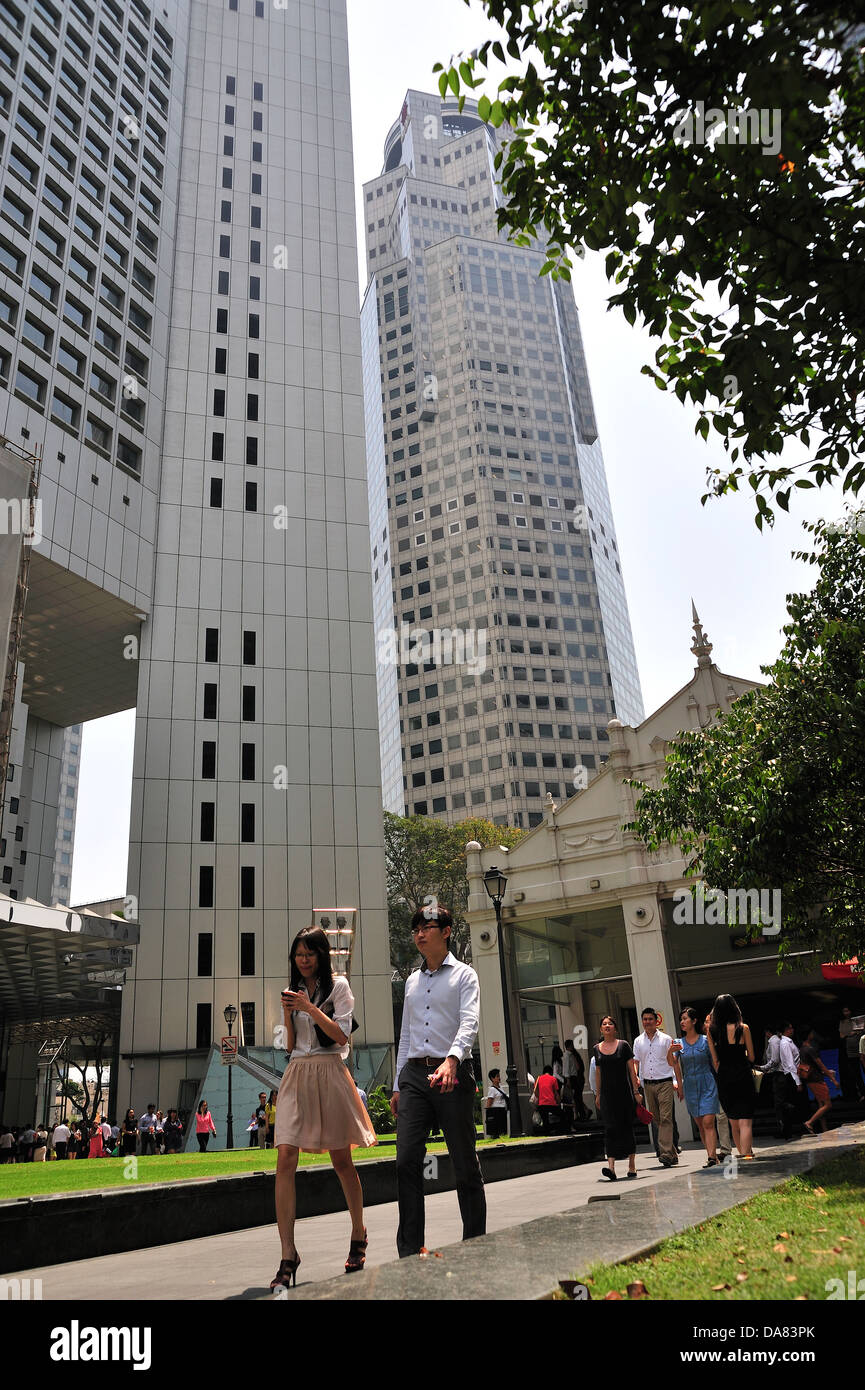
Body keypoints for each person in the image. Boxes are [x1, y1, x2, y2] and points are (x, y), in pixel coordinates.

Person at [272, 926, 376, 1290]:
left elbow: (341, 1035)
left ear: (321, 955)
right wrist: (288, 1012)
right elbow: (288, 1045)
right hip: (297, 1071)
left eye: (309, 953)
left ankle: (359, 1233)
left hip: (330, 1071)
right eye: (298, 954)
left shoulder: (339, 987)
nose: (302, 960)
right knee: (285, 1156)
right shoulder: (292, 991)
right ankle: (288, 1254)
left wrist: (308, 1007)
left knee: (341, 1160)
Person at [391, 905, 486, 1257]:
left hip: (454, 1072)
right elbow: (406, 1035)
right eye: (415, 928)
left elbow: (469, 1022)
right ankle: (410, 1250)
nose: (419, 933)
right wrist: (399, 1084)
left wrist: (451, 1061)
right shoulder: (412, 981)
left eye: (426, 927)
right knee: (405, 1161)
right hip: (415, 1075)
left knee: (463, 1162)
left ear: (445, 932)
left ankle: (475, 1242)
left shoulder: (465, 975)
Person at [705, 994, 756, 1159]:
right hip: (743, 1075)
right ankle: (747, 1156)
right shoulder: (744, 1028)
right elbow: (752, 1058)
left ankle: (742, 1155)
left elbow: (715, 1060)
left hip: (724, 1077)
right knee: (746, 1121)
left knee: (734, 1123)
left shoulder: (711, 1031)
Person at [668, 1007, 719, 1166]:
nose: (682, 1022)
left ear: (694, 1021)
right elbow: (672, 1064)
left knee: (708, 1122)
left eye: (685, 1018)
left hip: (707, 1083)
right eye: (681, 1019)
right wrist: (670, 1051)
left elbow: (715, 1062)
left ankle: (711, 1157)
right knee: (700, 1125)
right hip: (690, 1085)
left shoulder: (705, 1040)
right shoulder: (678, 1043)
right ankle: (711, 1155)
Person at [593, 1015, 640, 1180]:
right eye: (604, 1024)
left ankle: (632, 1165)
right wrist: (598, 1094)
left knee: (627, 1127)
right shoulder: (596, 1048)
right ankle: (611, 1168)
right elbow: (597, 1073)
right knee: (610, 1129)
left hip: (624, 1094)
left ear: (615, 1028)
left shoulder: (623, 1045)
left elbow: (631, 1070)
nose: (607, 1026)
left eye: (610, 1023)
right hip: (607, 1095)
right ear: (601, 1029)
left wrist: (636, 1091)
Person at [633, 1007, 678, 1166]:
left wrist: (676, 1081)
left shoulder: (666, 1039)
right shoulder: (638, 1041)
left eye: (650, 1019)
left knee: (666, 1117)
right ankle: (672, 1153)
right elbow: (636, 1063)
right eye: (644, 1019)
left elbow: (672, 1062)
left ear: (656, 1020)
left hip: (665, 1082)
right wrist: (636, 1078)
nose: (647, 1022)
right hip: (648, 1085)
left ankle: (665, 1153)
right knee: (657, 1119)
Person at [760, 1022, 803, 1141]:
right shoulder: (782, 1041)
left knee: (780, 1103)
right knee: (781, 1103)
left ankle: (785, 1129)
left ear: (768, 1032)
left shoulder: (775, 1041)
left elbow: (776, 1060)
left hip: (780, 1075)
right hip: (783, 1074)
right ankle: (785, 1129)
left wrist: (763, 1068)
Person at [799, 1030, 838, 1134]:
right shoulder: (809, 1049)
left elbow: (814, 1066)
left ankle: (824, 1129)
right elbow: (820, 1065)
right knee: (827, 1104)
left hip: (811, 1079)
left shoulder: (801, 1049)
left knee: (821, 1105)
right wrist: (833, 1079)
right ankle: (809, 1122)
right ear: (809, 1035)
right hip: (816, 1079)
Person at [563, 1038, 590, 1121]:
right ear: (569, 1046)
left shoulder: (571, 1055)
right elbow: (567, 1068)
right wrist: (568, 1080)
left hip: (573, 1077)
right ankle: (580, 1114)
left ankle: (581, 1114)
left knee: (577, 1097)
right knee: (576, 1097)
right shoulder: (567, 1055)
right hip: (571, 1078)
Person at [531, 1065, 561, 1133]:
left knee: (545, 1120)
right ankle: (558, 1129)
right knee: (562, 1115)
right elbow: (556, 1093)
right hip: (551, 1104)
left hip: (542, 1105)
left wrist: (541, 1097)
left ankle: (547, 1132)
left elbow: (535, 1092)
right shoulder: (553, 1079)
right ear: (551, 1072)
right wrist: (559, 1103)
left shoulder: (538, 1078)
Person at [485, 1068, 509, 1139]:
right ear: (492, 1079)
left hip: (502, 1110)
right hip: (496, 1111)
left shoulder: (500, 1087)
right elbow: (489, 1102)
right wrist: (488, 1114)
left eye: (499, 1076)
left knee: (503, 1128)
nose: (499, 1078)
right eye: (497, 1076)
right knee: (497, 1129)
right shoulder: (492, 1089)